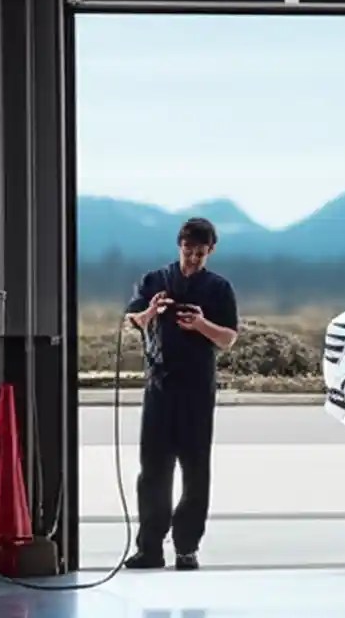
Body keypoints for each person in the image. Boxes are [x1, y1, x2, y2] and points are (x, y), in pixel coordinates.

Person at [121, 217, 239, 571]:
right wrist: (151, 312)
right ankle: (150, 547)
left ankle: (186, 547)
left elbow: (229, 338)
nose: (192, 259)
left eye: (200, 254)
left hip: (197, 390)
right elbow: (133, 320)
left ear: (210, 251)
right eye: (188, 251)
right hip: (159, 387)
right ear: (179, 246)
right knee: (153, 470)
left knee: (195, 469)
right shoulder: (155, 281)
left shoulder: (218, 288)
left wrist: (201, 324)